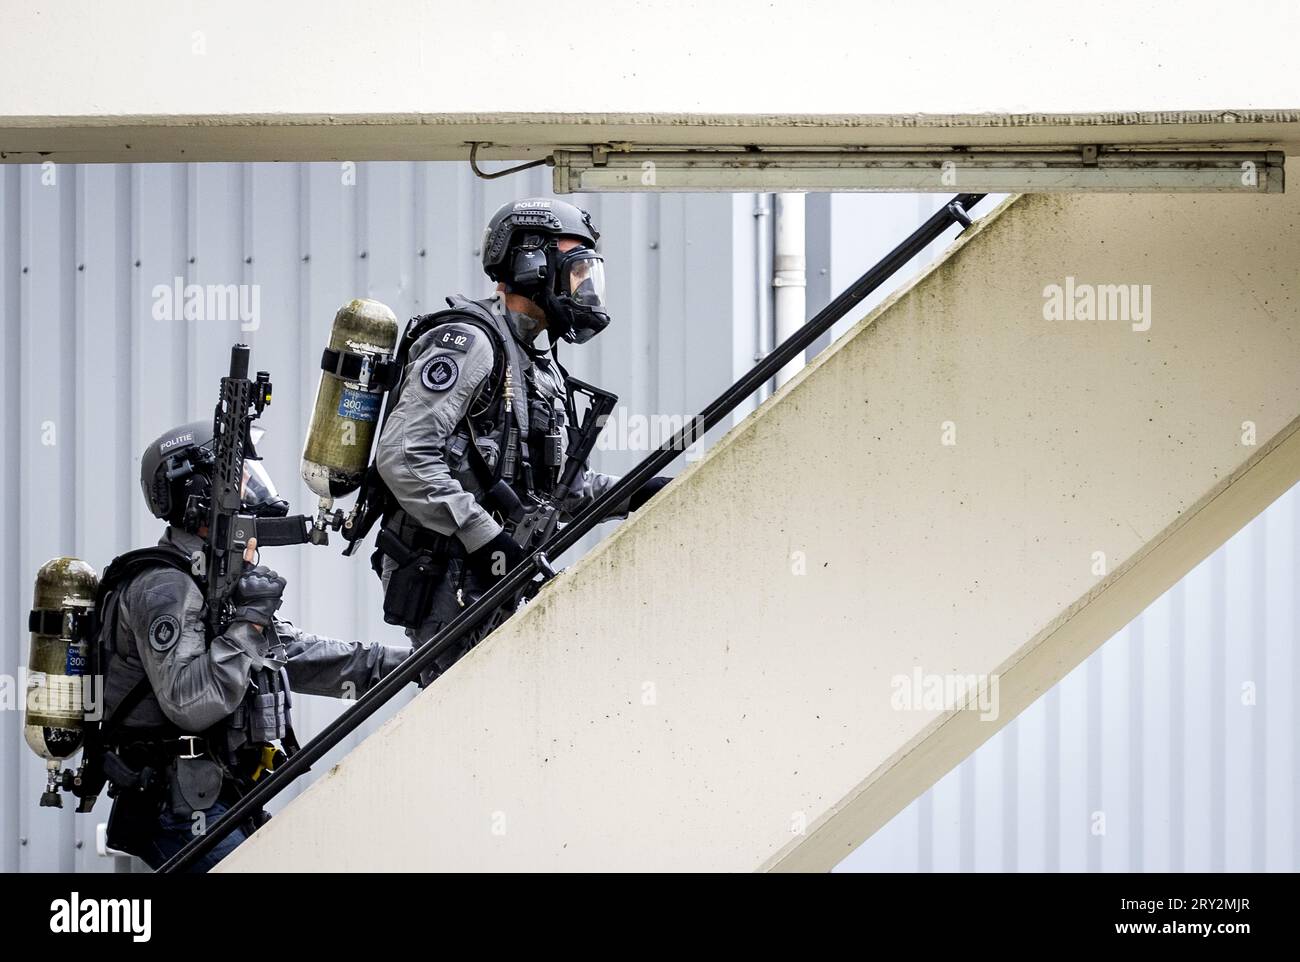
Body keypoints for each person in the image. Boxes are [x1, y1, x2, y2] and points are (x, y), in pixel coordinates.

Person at [374, 197, 669, 684]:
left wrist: (638, 493)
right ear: (532, 264)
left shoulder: (536, 363)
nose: (585, 286)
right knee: (465, 713)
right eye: (575, 269)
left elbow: (559, 490)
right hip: (452, 578)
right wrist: (485, 538)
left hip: (499, 573)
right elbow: (404, 456)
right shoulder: (471, 343)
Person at [99, 420, 409, 872]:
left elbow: (297, 655)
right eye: (239, 476)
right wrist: (250, 618)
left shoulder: (211, 582)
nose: (252, 488)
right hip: (179, 813)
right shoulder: (165, 587)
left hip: (223, 798)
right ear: (200, 492)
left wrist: (417, 662)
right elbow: (191, 702)